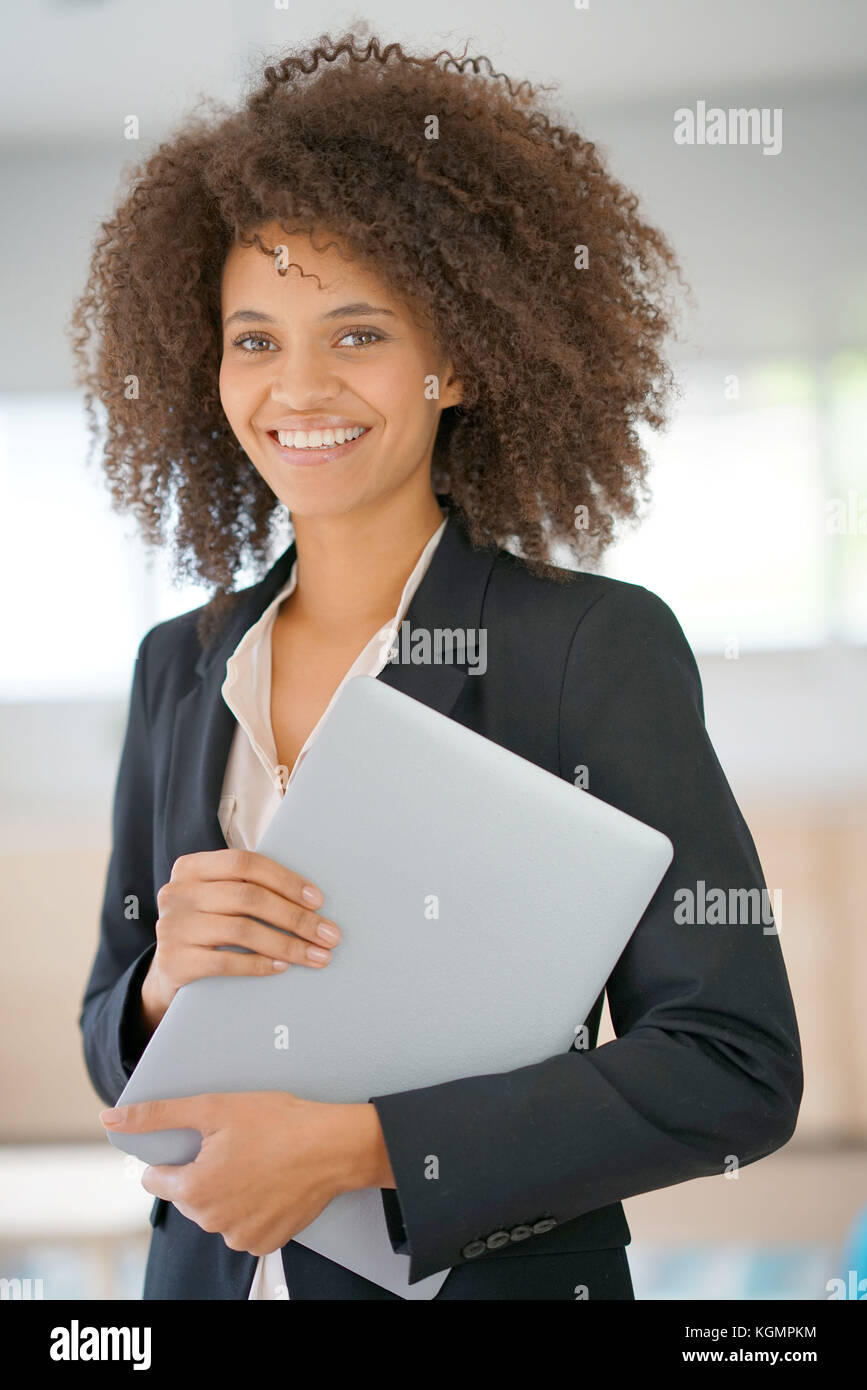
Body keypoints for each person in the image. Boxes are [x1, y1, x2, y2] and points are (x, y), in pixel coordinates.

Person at [74, 30, 802, 1301]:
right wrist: (159, 988)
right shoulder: (178, 667)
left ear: (455, 359)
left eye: (357, 333)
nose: (297, 384)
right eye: (255, 338)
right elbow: (111, 1043)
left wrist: (366, 1147)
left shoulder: (586, 647)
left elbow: (733, 1064)